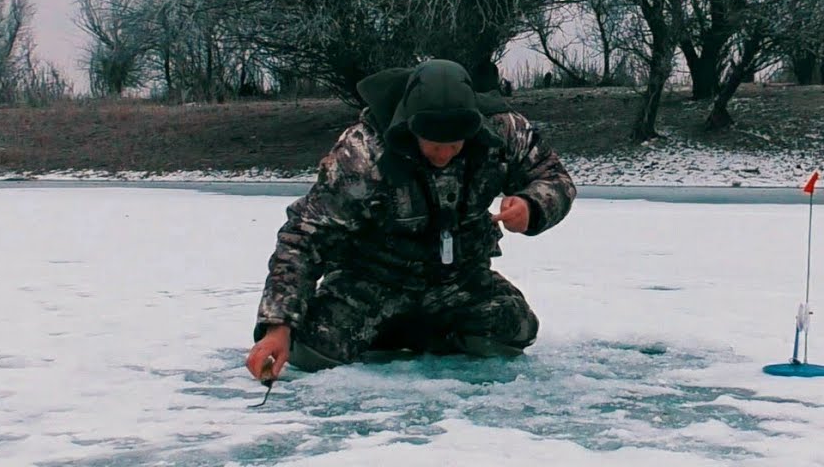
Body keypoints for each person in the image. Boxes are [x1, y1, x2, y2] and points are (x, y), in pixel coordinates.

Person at [245, 59, 576, 382]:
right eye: (433, 146)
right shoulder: (363, 152)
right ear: (410, 128)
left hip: (459, 282)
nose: (444, 155)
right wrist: (278, 327)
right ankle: (395, 330)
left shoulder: (503, 131)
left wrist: (532, 206)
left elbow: (554, 179)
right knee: (314, 346)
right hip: (371, 283)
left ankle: (424, 332)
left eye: (454, 145)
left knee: (514, 327)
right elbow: (305, 234)